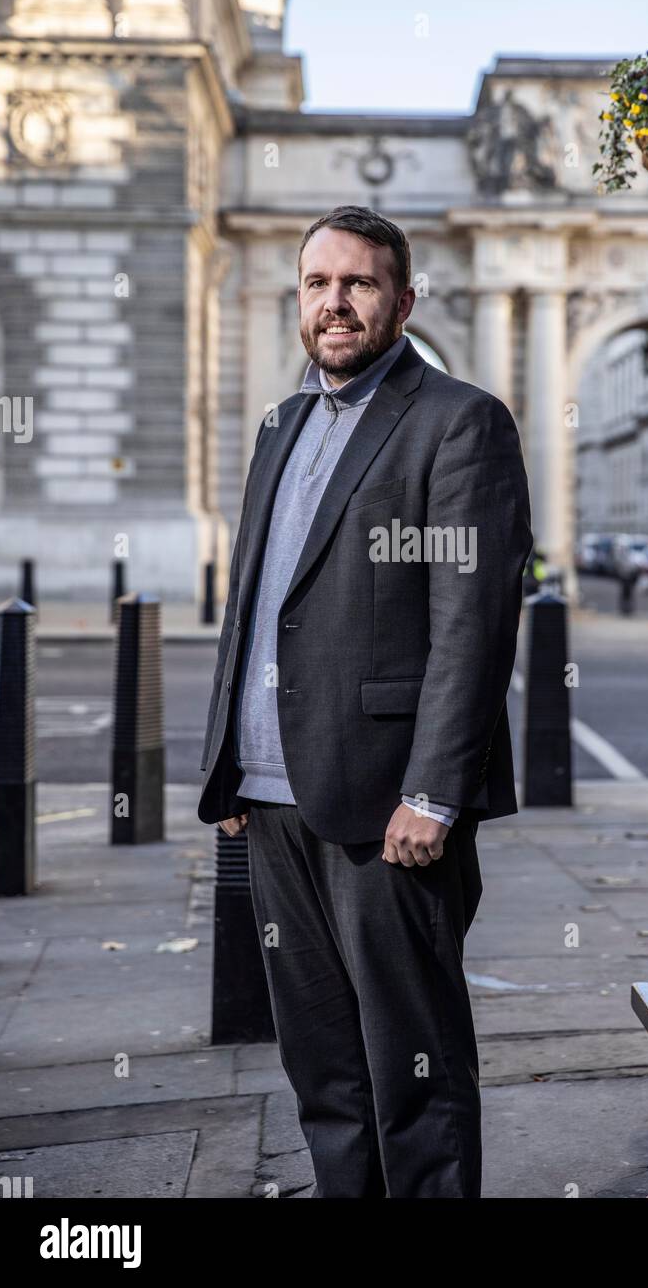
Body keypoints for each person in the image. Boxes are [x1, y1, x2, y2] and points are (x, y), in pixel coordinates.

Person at [198, 204, 533, 1199]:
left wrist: (434, 792)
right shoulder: (280, 424)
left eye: (359, 283)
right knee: (323, 1066)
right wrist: (227, 761)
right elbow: (253, 601)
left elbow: (470, 622)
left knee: (412, 1067)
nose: (334, 304)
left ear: (403, 298)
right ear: (297, 297)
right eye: (317, 283)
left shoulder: (456, 421)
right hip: (270, 797)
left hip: (389, 803)